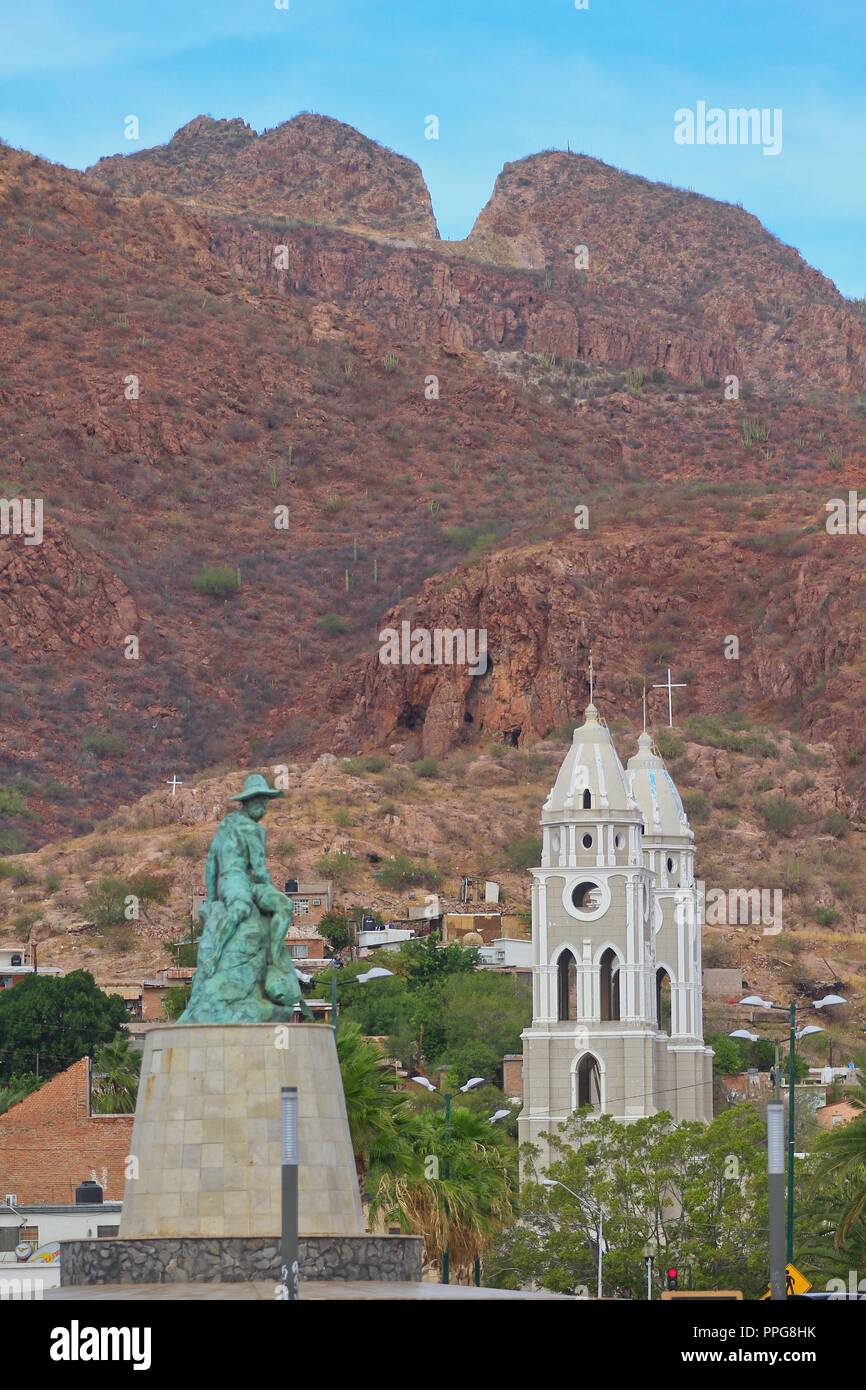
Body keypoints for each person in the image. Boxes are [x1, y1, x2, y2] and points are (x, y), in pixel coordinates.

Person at [179, 774, 311, 1023]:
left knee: (284, 904)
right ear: (248, 802)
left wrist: (212, 895)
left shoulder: (233, 825)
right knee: (240, 908)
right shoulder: (242, 827)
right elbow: (235, 865)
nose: (263, 807)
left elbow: (217, 865)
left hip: (246, 883)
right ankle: (217, 950)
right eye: (259, 801)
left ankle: (273, 959)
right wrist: (213, 899)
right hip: (235, 881)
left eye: (265, 801)